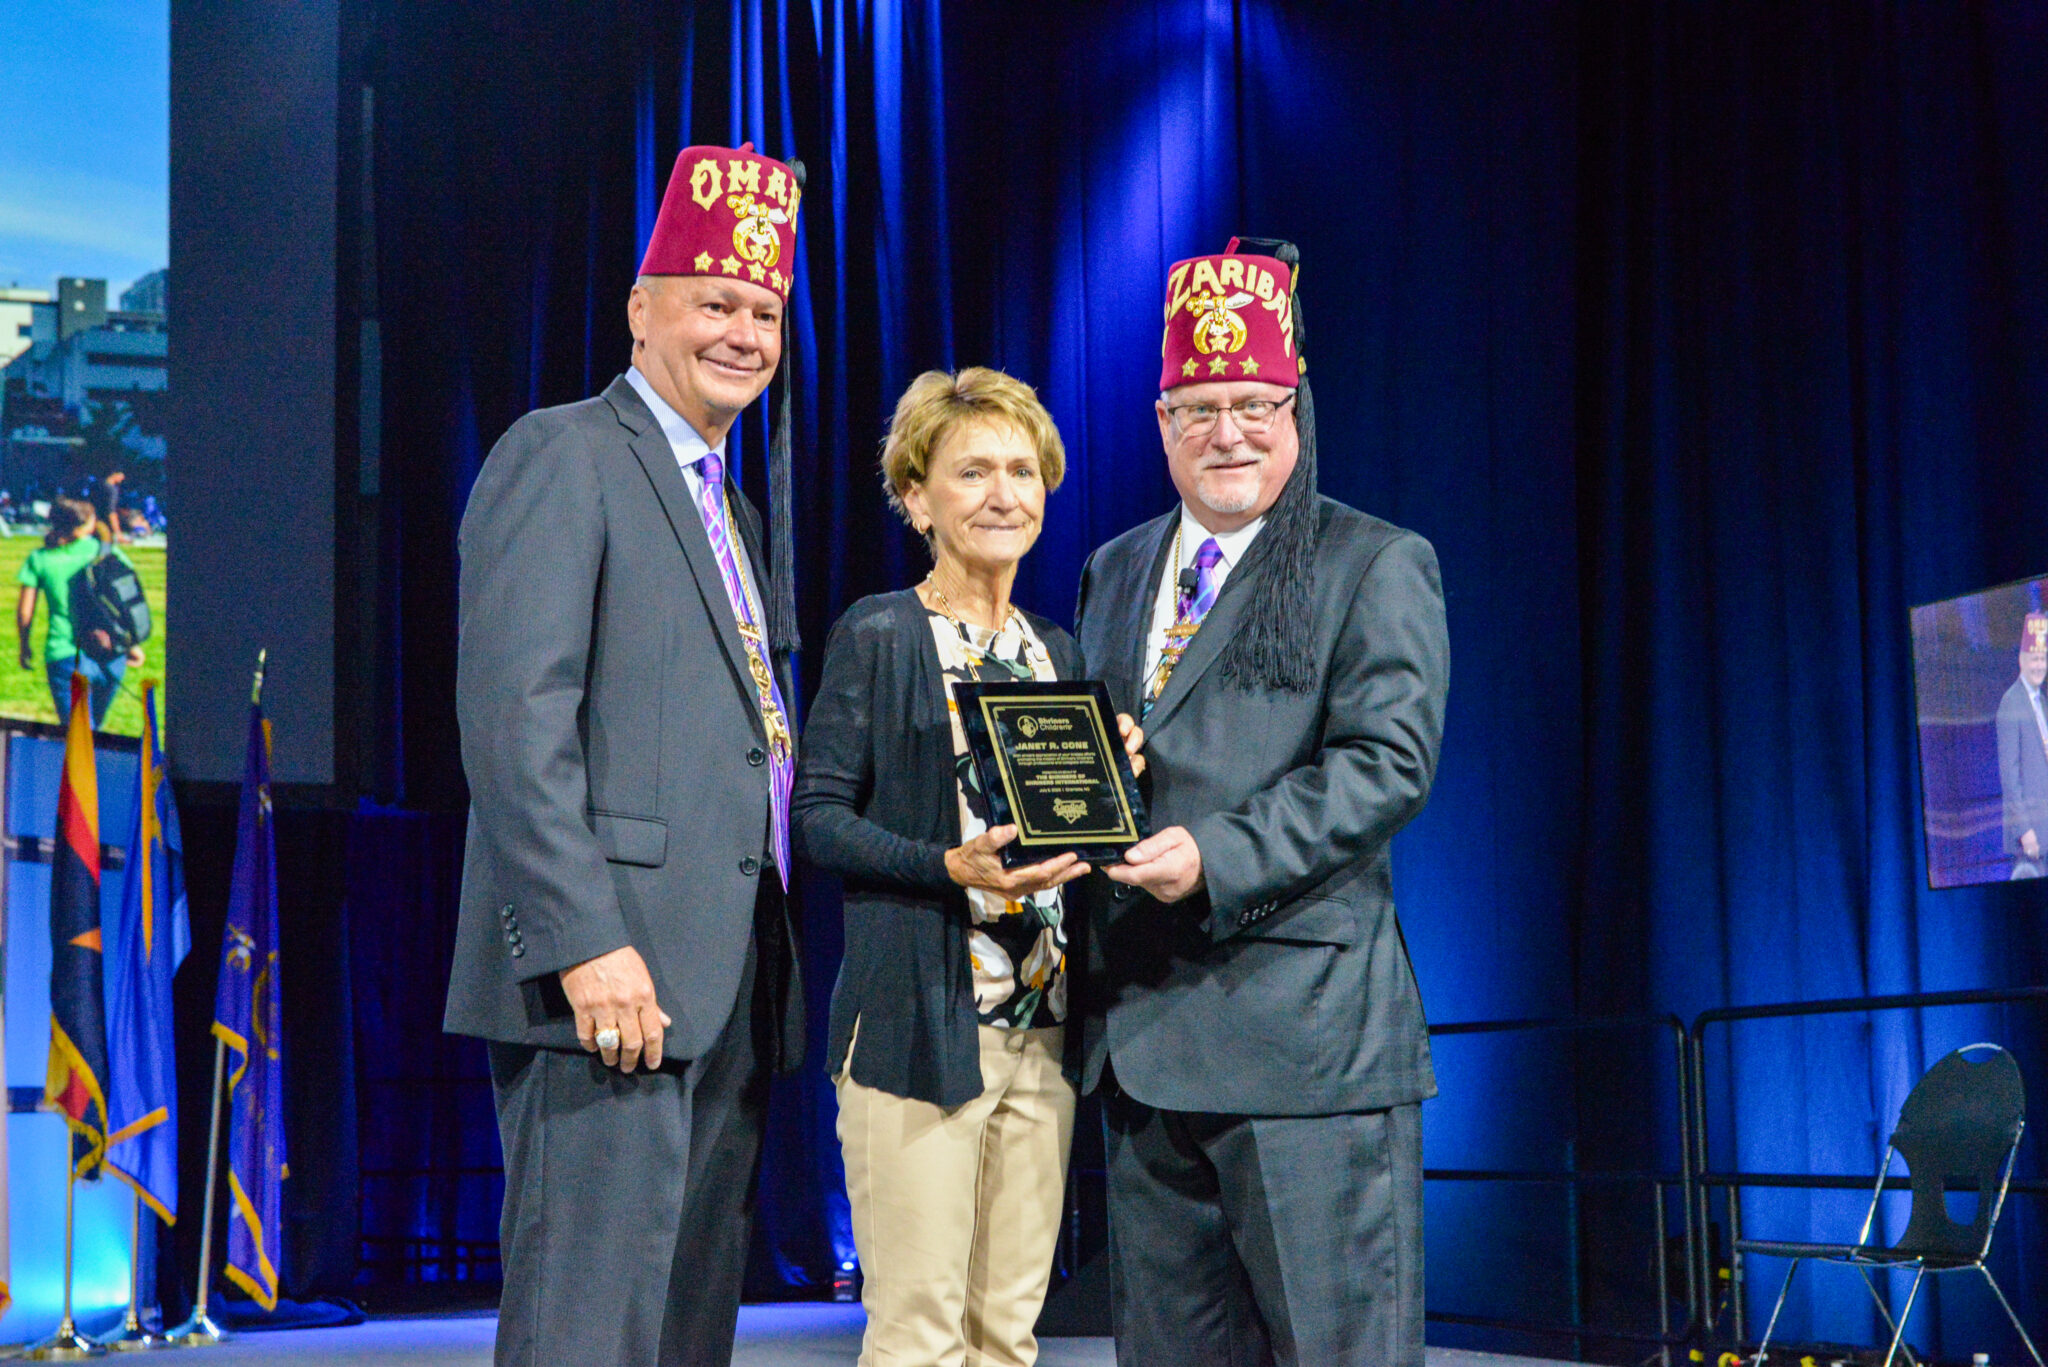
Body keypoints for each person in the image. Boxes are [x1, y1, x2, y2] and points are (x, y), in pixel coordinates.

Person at [443, 142, 808, 1367]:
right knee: (586, 1331)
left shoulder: (730, 504)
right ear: (640, 308)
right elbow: (515, 720)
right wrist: (585, 937)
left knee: (679, 1331)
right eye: (714, 303)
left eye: (763, 311)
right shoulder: (564, 453)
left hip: (722, 984)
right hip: (608, 977)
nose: (742, 333)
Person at [1072, 239, 1450, 1366]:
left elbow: (1387, 761)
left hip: (1305, 1048)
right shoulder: (1113, 568)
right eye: (1196, 408)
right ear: (1158, 419)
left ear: (1294, 407)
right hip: (1140, 1043)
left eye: (1251, 404)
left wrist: (1215, 854)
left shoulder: (1371, 560)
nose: (1225, 431)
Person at [794, 367, 1143, 1367]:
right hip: (916, 1028)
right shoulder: (880, 632)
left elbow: (1084, 836)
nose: (1004, 493)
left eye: (1022, 471)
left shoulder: (1058, 649)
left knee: (1004, 1333)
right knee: (919, 1335)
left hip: (1042, 1032)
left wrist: (1121, 773)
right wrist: (946, 865)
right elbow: (816, 818)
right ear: (916, 498)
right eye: (972, 471)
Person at [16, 495, 144, 727]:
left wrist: (24, 645)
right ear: (87, 523)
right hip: (109, 652)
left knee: (77, 736)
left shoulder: (41, 559)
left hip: (64, 654)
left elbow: (25, 612)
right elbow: (124, 604)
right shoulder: (107, 553)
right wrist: (132, 645)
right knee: (96, 735)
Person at [1996, 611, 2048, 879]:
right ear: (2021, 660)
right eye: (2034, 659)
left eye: (2043, 659)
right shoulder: (2011, 702)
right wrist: (2026, 831)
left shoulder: (2044, 701)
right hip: (2031, 840)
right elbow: (2009, 775)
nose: (2039, 666)